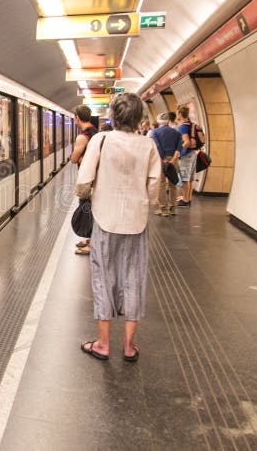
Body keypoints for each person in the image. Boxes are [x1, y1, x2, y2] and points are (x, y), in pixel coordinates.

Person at [75, 93, 159, 362]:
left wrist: (87, 193)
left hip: (104, 218)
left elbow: (83, 179)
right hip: (136, 221)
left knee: (103, 278)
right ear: (139, 118)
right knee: (134, 278)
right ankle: (129, 346)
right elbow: (154, 185)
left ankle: (102, 344)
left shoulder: (102, 139)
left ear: (113, 115)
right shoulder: (148, 145)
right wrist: (146, 204)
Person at [70, 105, 97, 256]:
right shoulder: (95, 132)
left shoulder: (82, 136)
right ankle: (91, 238)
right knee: (91, 207)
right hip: (95, 176)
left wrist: (79, 157)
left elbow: (74, 159)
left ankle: (93, 243)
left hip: (87, 177)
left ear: (77, 118)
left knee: (88, 208)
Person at [150, 112, 183, 216]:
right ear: (168, 121)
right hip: (174, 159)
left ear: (159, 121)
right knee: (173, 183)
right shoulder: (176, 132)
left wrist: (164, 159)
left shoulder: (155, 132)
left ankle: (163, 208)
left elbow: (158, 146)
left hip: (161, 159)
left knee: (161, 184)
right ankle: (173, 208)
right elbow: (180, 146)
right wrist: (173, 158)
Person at [176, 106, 198, 207]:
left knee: (185, 179)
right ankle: (188, 198)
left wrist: (179, 150)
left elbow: (187, 142)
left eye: (177, 113)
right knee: (189, 179)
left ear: (180, 114)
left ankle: (185, 200)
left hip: (186, 155)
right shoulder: (191, 124)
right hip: (193, 153)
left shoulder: (183, 127)